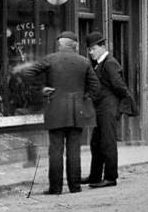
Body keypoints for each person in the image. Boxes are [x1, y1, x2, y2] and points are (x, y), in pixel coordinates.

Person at [13, 31, 100, 194]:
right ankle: (75, 187)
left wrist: (41, 89)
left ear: (61, 45)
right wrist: (83, 98)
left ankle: (56, 187)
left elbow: (27, 73)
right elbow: (96, 87)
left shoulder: (50, 59)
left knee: (55, 150)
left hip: (56, 110)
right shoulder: (84, 62)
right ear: (75, 46)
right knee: (74, 150)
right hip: (77, 112)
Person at [83, 31, 135, 188]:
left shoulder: (110, 63)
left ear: (103, 47)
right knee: (96, 142)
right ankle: (95, 175)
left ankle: (110, 177)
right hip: (101, 108)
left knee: (108, 142)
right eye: (89, 50)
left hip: (109, 108)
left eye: (93, 49)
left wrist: (121, 106)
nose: (91, 52)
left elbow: (120, 86)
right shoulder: (100, 63)